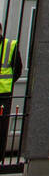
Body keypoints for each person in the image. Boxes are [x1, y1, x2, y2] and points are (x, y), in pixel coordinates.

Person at [0, 30, 22, 161]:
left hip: (4, 93)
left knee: (1, 127)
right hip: (5, 92)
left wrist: (8, 83)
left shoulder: (9, 45)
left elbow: (18, 69)